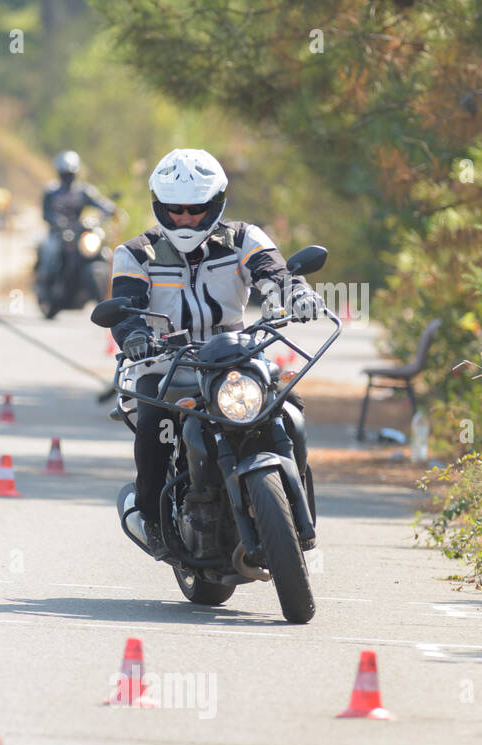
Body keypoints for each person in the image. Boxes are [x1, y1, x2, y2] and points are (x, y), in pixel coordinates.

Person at [107, 148, 325, 556]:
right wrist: (135, 335)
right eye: (175, 209)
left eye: (196, 208)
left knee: (290, 408)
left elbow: (274, 274)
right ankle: (152, 517)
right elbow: (125, 308)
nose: (185, 218)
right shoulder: (135, 253)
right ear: (159, 206)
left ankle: (298, 512)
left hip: (237, 354)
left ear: (216, 204)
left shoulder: (244, 238)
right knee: (155, 419)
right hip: (167, 363)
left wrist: (296, 294)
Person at [37, 150, 117, 285]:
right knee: (50, 253)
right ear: (59, 174)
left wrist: (110, 208)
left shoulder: (84, 191)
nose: (68, 178)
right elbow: (45, 214)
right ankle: (46, 284)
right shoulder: (51, 192)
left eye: (71, 174)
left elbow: (100, 202)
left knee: (104, 252)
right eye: (65, 175)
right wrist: (56, 220)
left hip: (80, 232)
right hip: (58, 233)